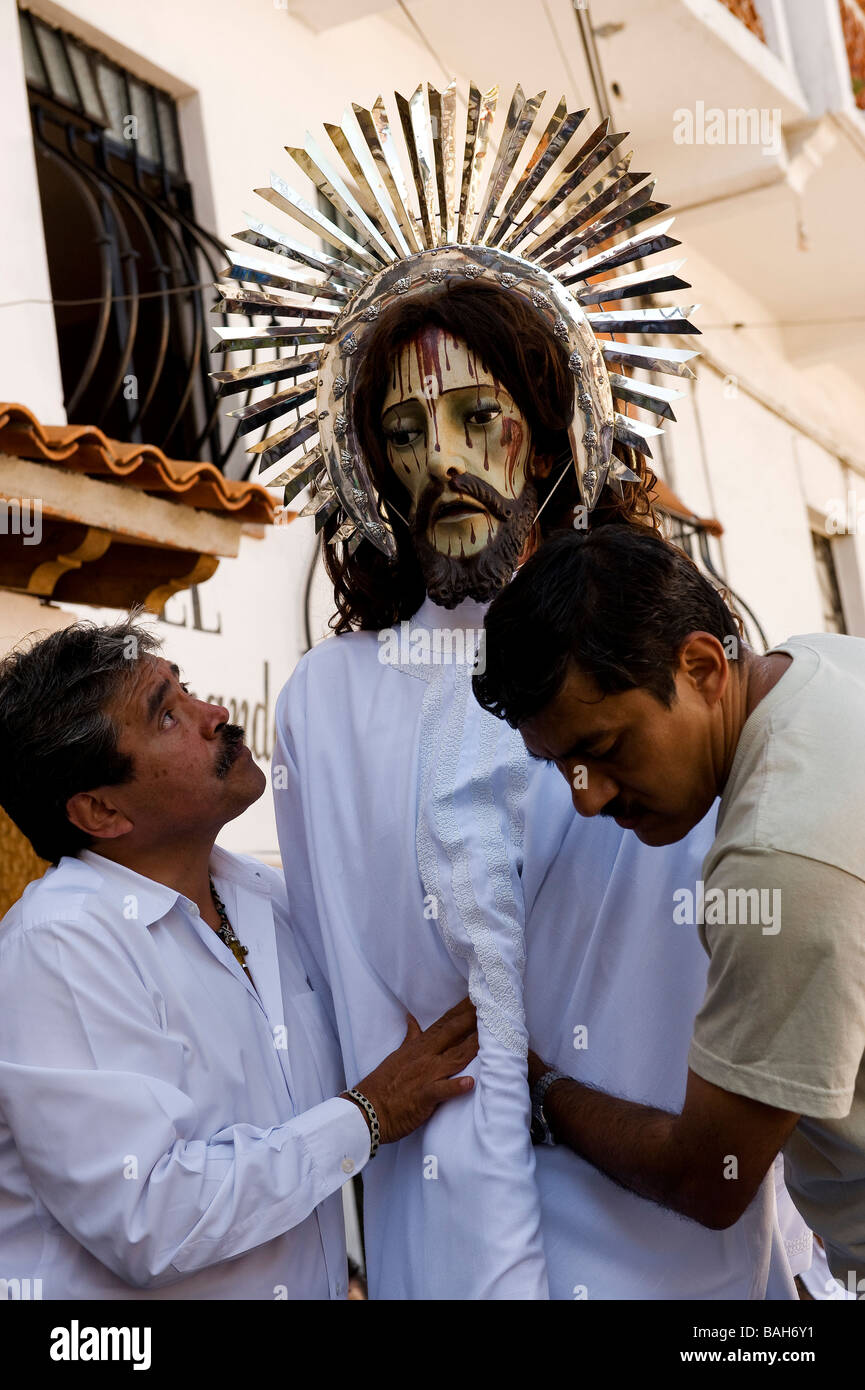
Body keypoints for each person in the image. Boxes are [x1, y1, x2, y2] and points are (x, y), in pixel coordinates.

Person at [227, 81, 805, 1297]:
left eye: (475, 417)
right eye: (401, 434)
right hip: (440, 1215)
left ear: (543, 434)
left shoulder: (666, 654)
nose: (440, 462)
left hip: (665, 1209)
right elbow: (339, 964)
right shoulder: (328, 703)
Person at [0, 616, 477, 1299]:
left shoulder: (265, 898)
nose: (212, 714)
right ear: (101, 811)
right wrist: (368, 1116)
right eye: (166, 715)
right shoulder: (58, 947)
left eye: (185, 690)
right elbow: (150, 1220)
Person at [474, 523, 865, 1290]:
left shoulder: (776, 864)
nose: (586, 800)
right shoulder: (824, 664)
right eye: (560, 767)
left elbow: (709, 1179)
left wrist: (538, 1087)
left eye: (606, 747)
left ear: (700, 667)